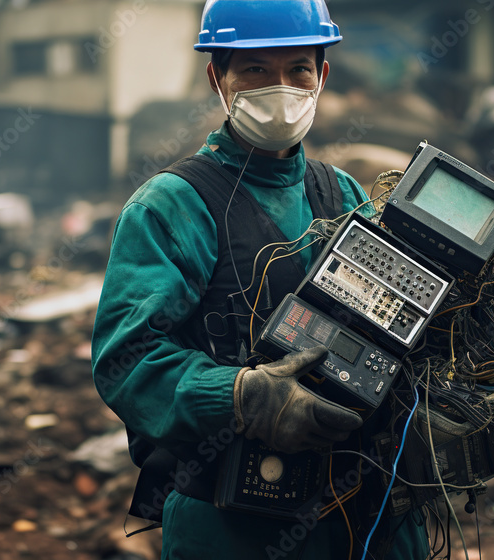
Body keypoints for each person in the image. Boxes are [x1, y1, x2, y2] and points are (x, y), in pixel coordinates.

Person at [91, 1, 430, 558]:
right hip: (235, 529)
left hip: (366, 516)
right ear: (217, 79)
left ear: (322, 76)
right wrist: (244, 398)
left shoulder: (339, 193)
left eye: (297, 68)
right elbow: (127, 361)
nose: (281, 87)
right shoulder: (172, 207)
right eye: (254, 69)